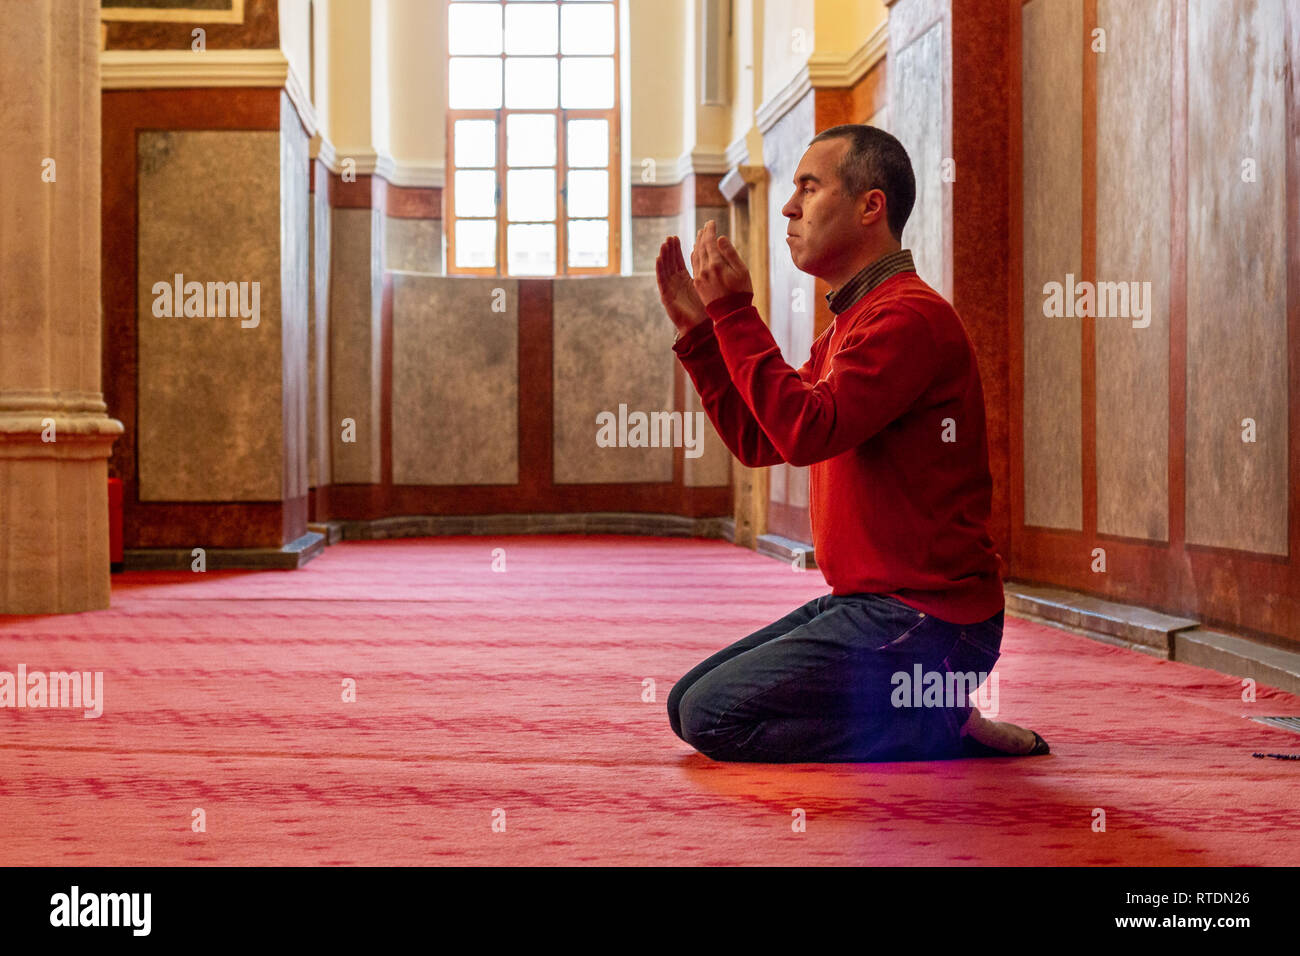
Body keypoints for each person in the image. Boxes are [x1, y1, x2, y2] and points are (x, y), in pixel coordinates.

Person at [654, 123, 1048, 762]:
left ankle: (935, 726)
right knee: (684, 702)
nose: (788, 207)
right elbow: (763, 441)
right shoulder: (853, 322)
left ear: (871, 206)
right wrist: (702, 334)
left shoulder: (907, 318)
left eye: (808, 188)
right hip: (873, 608)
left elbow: (807, 432)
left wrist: (733, 315)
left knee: (711, 716)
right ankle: (929, 714)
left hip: (931, 624)